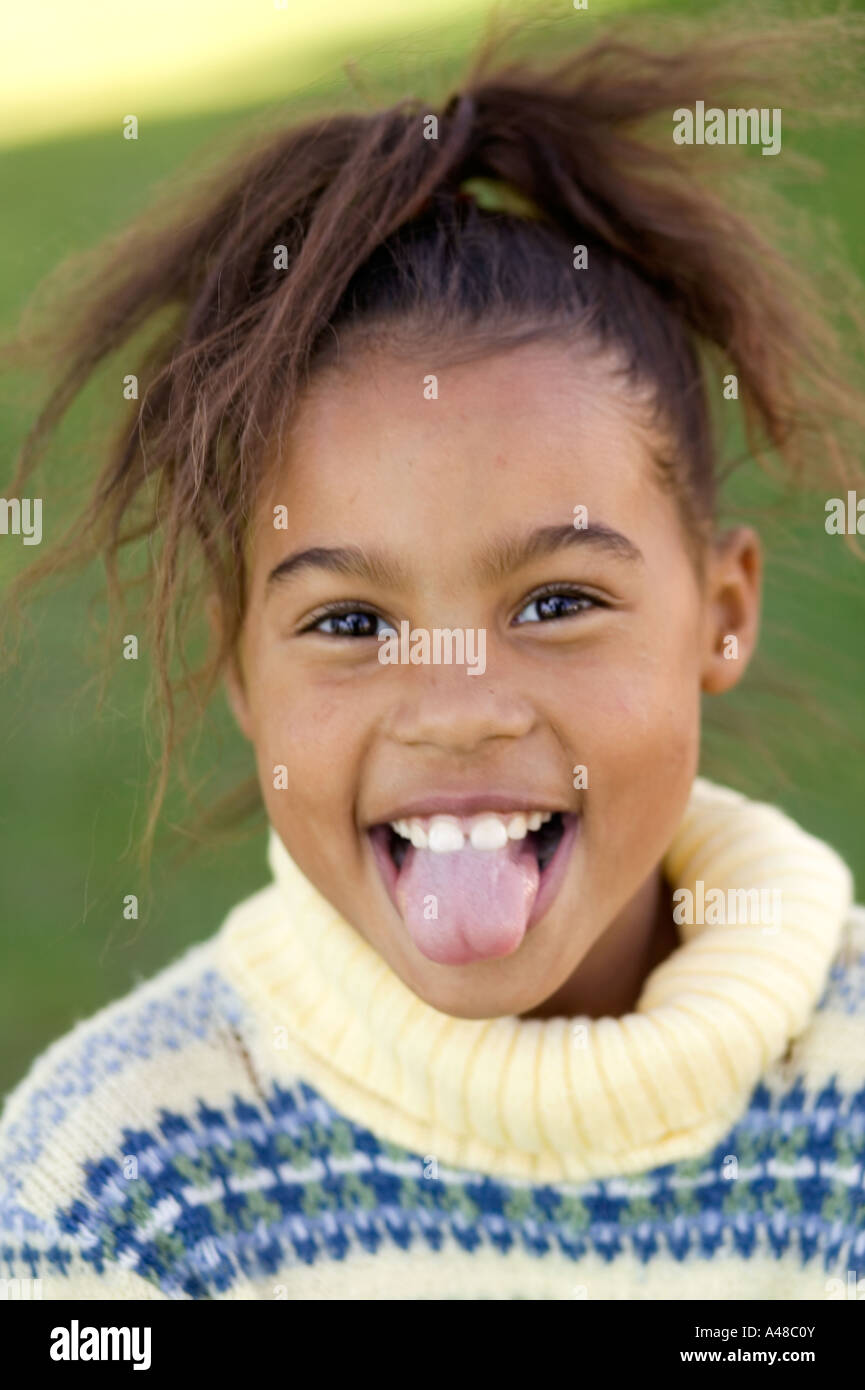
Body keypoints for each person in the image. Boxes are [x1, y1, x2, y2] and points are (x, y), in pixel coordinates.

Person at [2, 11, 864, 1300]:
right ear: (242, 673)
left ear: (721, 614)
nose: (458, 709)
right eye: (351, 624)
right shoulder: (113, 1185)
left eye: (557, 602)